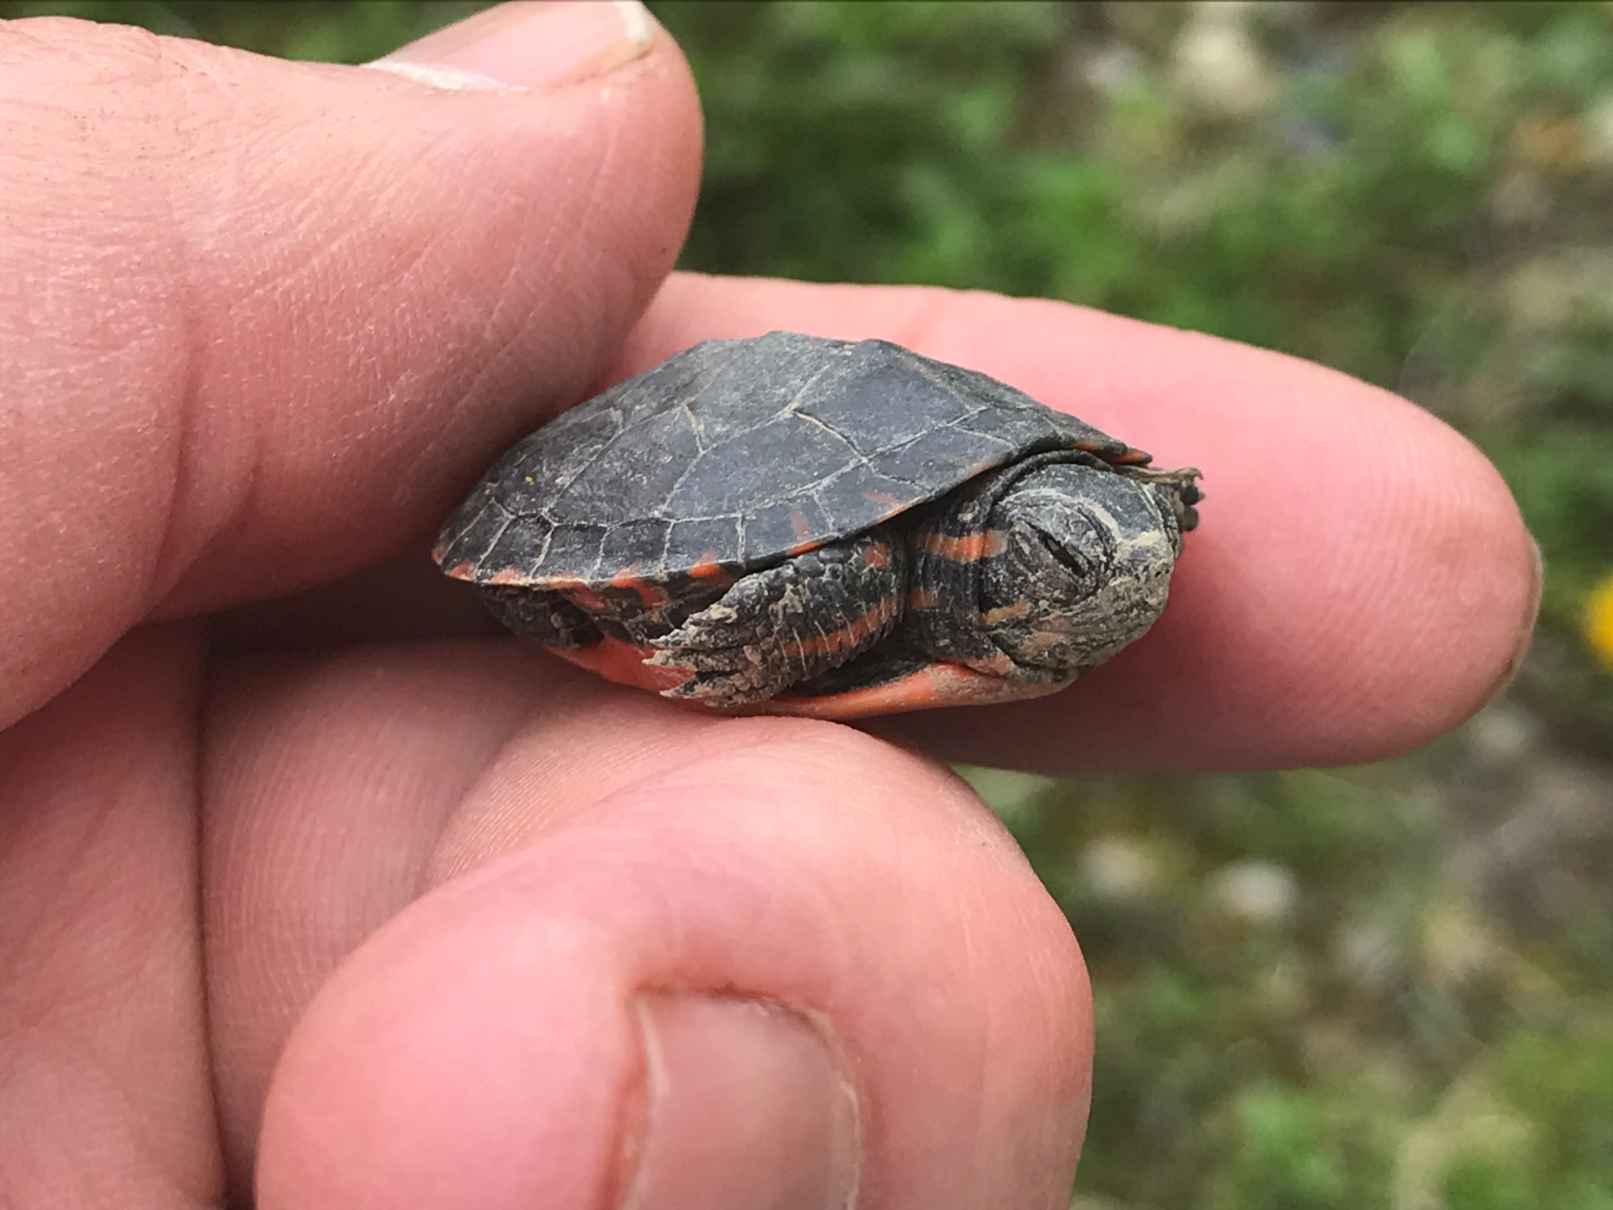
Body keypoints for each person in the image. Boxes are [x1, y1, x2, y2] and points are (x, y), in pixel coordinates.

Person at [0, 3, 1539, 1206]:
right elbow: (830, 564)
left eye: (1133, 540)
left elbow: (1131, 508)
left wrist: (1141, 507)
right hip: (649, 524)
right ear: (986, 561)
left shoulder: (1074, 511)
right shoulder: (884, 570)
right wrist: (729, 645)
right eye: (1076, 560)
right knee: (828, 599)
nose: (1128, 566)